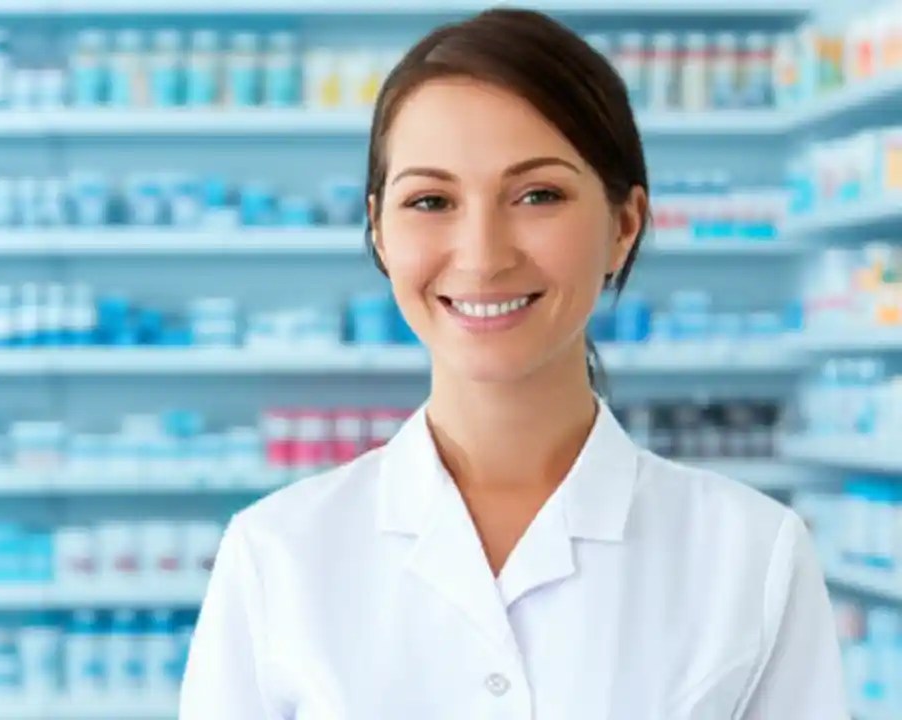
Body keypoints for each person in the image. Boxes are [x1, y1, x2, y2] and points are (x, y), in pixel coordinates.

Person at [178, 8, 848, 720]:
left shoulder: (752, 556)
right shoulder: (275, 555)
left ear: (624, 226)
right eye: (430, 201)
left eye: (538, 195)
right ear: (377, 230)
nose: (483, 254)